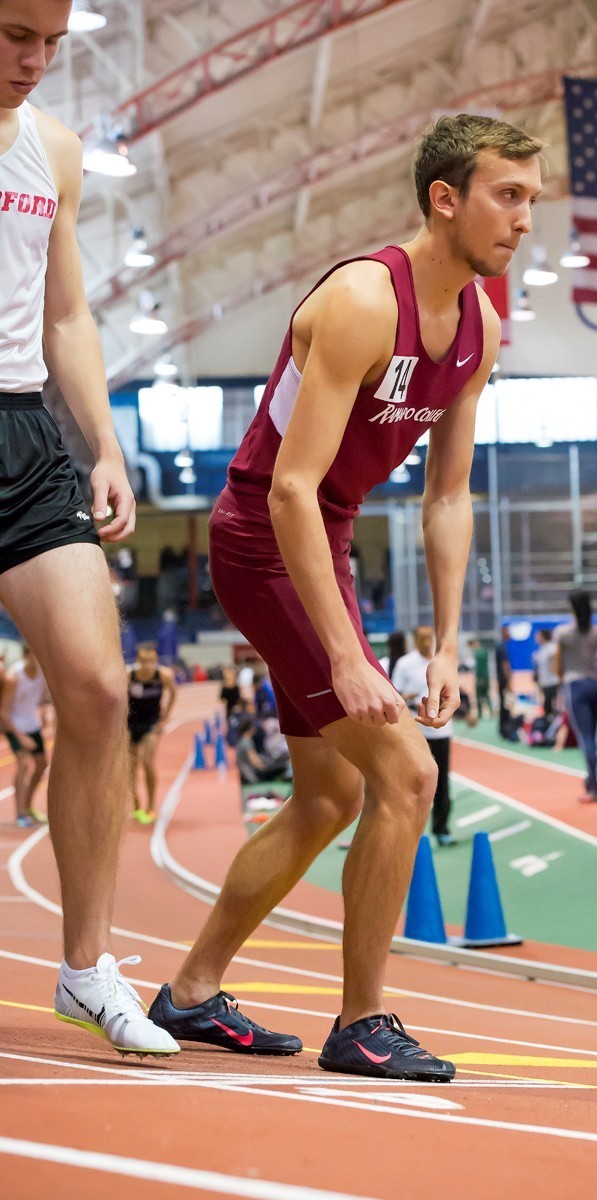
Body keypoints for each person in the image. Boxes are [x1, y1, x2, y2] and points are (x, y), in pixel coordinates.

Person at [147, 113, 544, 1079]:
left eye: (533, 198)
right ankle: (362, 1021)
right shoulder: (365, 300)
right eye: (508, 195)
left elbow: (448, 496)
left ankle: (191, 993)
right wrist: (340, 656)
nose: (525, 219)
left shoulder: (482, 326)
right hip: (261, 532)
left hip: (325, 537)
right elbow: (286, 487)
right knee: (408, 777)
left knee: (327, 797)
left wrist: (446, 643)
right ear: (443, 199)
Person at [0, 1, 178, 1057]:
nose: (33, 60)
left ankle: (85, 969)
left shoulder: (51, 146)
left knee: (101, 689)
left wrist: (104, 446)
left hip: (26, 431)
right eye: (14, 34)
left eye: (50, 42)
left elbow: (66, 314)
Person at [553, 590, 597, 803]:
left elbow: (557, 666)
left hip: (575, 686)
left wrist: (561, 684)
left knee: (586, 738)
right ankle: (592, 781)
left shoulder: (563, 633)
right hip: (595, 685)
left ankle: (594, 786)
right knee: (591, 736)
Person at [392, 625, 455, 847]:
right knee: (411, 782)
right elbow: (395, 693)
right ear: (415, 640)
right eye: (422, 638)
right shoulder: (405, 664)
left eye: (430, 638)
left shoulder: (442, 662)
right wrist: (405, 696)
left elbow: (454, 691)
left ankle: (441, 829)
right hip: (415, 731)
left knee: (442, 782)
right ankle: (408, 833)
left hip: (441, 731)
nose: (427, 642)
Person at [127, 645, 177, 824]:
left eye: (151, 661)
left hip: (152, 724)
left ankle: (151, 805)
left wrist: (165, 719)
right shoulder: (129, 676)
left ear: (156, 661)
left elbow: (173, 693)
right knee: (131, 767)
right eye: (144, 661)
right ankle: (135, 803)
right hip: (131, 725)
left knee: (148, 762)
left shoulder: (163, 675)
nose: (148, 665)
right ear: (138, 660)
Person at [1, 643, 49, 825]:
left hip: (32, 724)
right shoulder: (14, 677)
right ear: (26, 655)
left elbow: (42, 698)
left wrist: (44, 712)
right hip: (14, 725)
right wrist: (20, 736)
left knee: (41, 764)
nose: (38, 659)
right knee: (24, 764)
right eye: (34, 655)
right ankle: (20, 813)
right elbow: (3, 711)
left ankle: (28, 807)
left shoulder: (43, 674)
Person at [532, 627, 559, 718]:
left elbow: (557, 663)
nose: (536, 637)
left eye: (538, 635)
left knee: (553, 705)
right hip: (544, 682)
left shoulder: (552, 648)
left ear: (543, 636)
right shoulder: (541, 650)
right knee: (546, 706)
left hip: (553, 681)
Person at [495, 625, 515, 740]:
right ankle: (505, 729)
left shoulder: (500, 646)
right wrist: (509, 683)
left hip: (500, 680)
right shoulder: (502, 647)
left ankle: (503, 729)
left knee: (504, 704)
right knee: (506, 706)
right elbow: (505, 666)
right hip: (503, 681)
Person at [468, 637, 491, 720]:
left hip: (480, 676)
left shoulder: (476, 653)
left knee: (479, 695)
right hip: (486, 676)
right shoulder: (484, 651)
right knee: (487, 695)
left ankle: (480, 714)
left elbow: (474, 666)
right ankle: (490, 712)